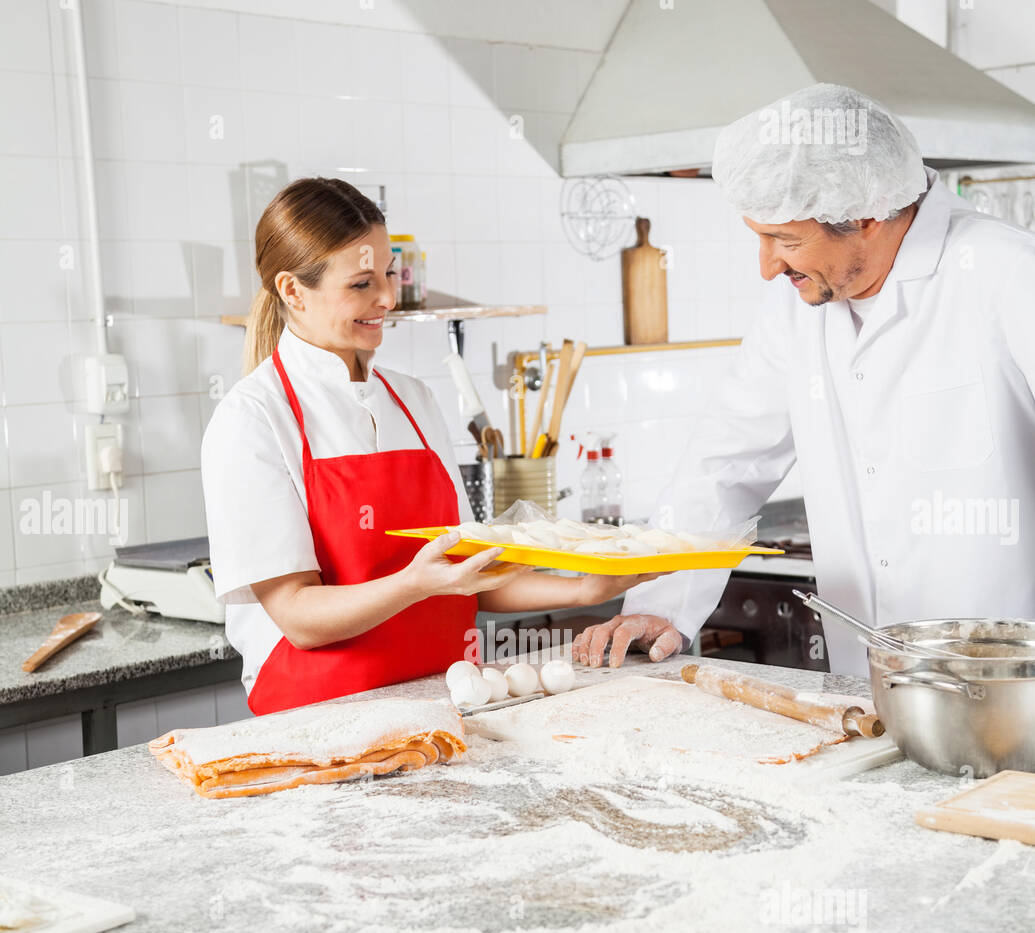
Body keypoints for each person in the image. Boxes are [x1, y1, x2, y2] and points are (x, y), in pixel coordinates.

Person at [574, 84, 1035, 675]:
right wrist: (663, 605)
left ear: (867, 215)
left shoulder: (1005, 276)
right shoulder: (797, 310)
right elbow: (724, 465)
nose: (766, 266)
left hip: (1010, 689)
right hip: (868, 686)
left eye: (784, 240)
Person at [201, 178, 655, 714]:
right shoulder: (251, 418)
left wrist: (584, 588)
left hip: (443, 707)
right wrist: (413, 584)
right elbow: (298, 617)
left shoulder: (414, 401)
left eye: (389, 274)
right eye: (362, 283)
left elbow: (469, 576)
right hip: (319, 723)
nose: (388, 298)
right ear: (293, 291)